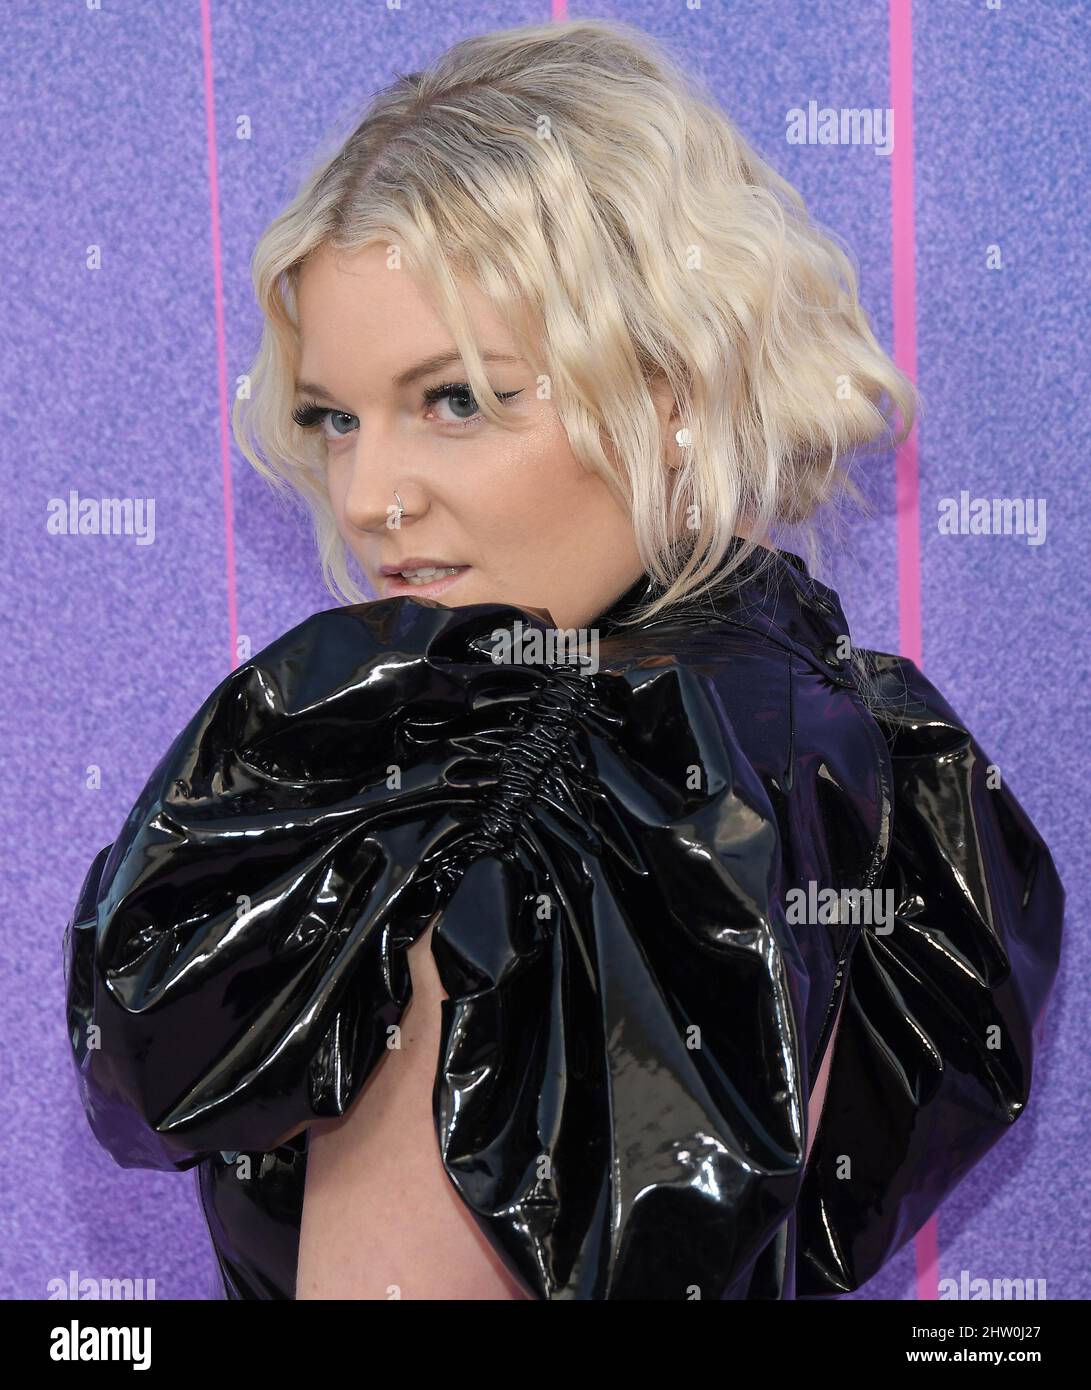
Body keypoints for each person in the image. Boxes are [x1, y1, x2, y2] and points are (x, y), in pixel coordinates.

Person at [62, 18, 1063, 1300]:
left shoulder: (505, 815)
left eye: (456, 399)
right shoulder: (836, 735)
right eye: (335, 417)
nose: (367, 496)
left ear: (670, 390)